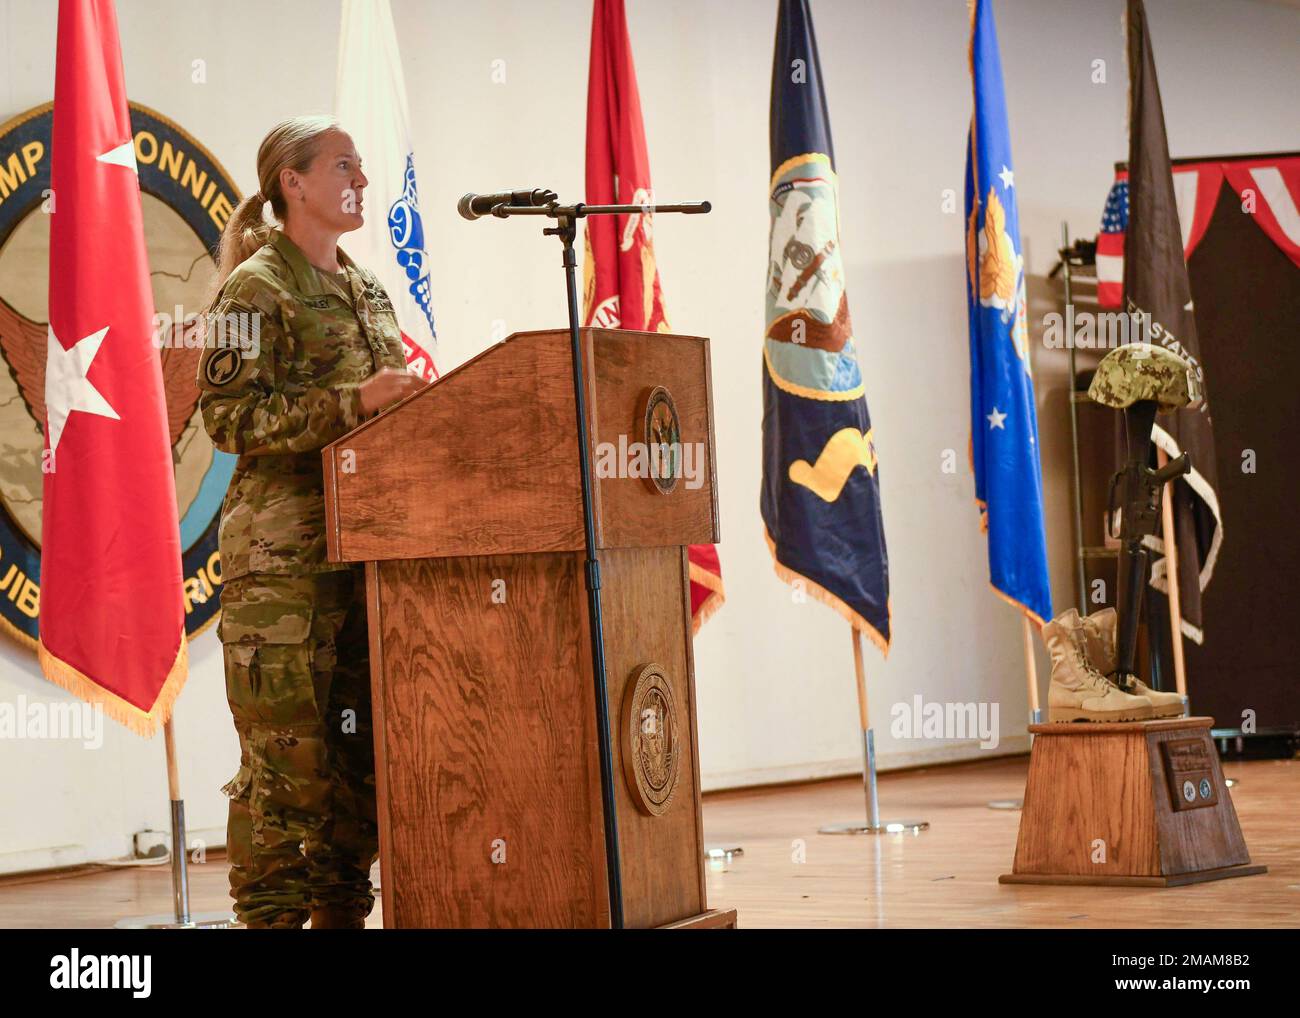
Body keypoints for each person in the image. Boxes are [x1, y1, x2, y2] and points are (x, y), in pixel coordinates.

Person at [196, 115, 425, 929]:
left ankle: (339, 912)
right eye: (341, 165)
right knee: (286, 765)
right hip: (281, 568)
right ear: (292, 183)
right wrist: (352, 403)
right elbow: (226, 419)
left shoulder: (366, 288)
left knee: (359, 761)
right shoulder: (254, 287)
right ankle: (271, 919)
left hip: (366, 554)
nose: (359, 179)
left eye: (361, 165)